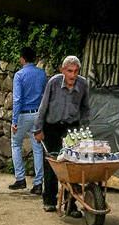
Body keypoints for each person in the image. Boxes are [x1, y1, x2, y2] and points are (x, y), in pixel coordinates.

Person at [34, 55, 90, 214]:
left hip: (71, 129)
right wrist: (38, 130)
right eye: (69, 71)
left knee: (72, 167)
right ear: (62, 70)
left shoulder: (83, 84)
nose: (73, 75)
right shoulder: (54, 82)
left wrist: (84, 125)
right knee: (52, 163)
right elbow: (43, 107)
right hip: (51, 127)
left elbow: (85, 108)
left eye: (76, 71)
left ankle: (70, 205)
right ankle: (49, 200)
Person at [8, 47, 47, 195]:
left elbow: (17, 99)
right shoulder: (42, 74)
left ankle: (20, 179)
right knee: (37, 149)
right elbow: (45, 96)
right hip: (38, 114)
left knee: (15, 144)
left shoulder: (19, 75)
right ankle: (38, 184)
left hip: (24, 115)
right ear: (35, 58)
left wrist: (14, 120)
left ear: (22, 59)